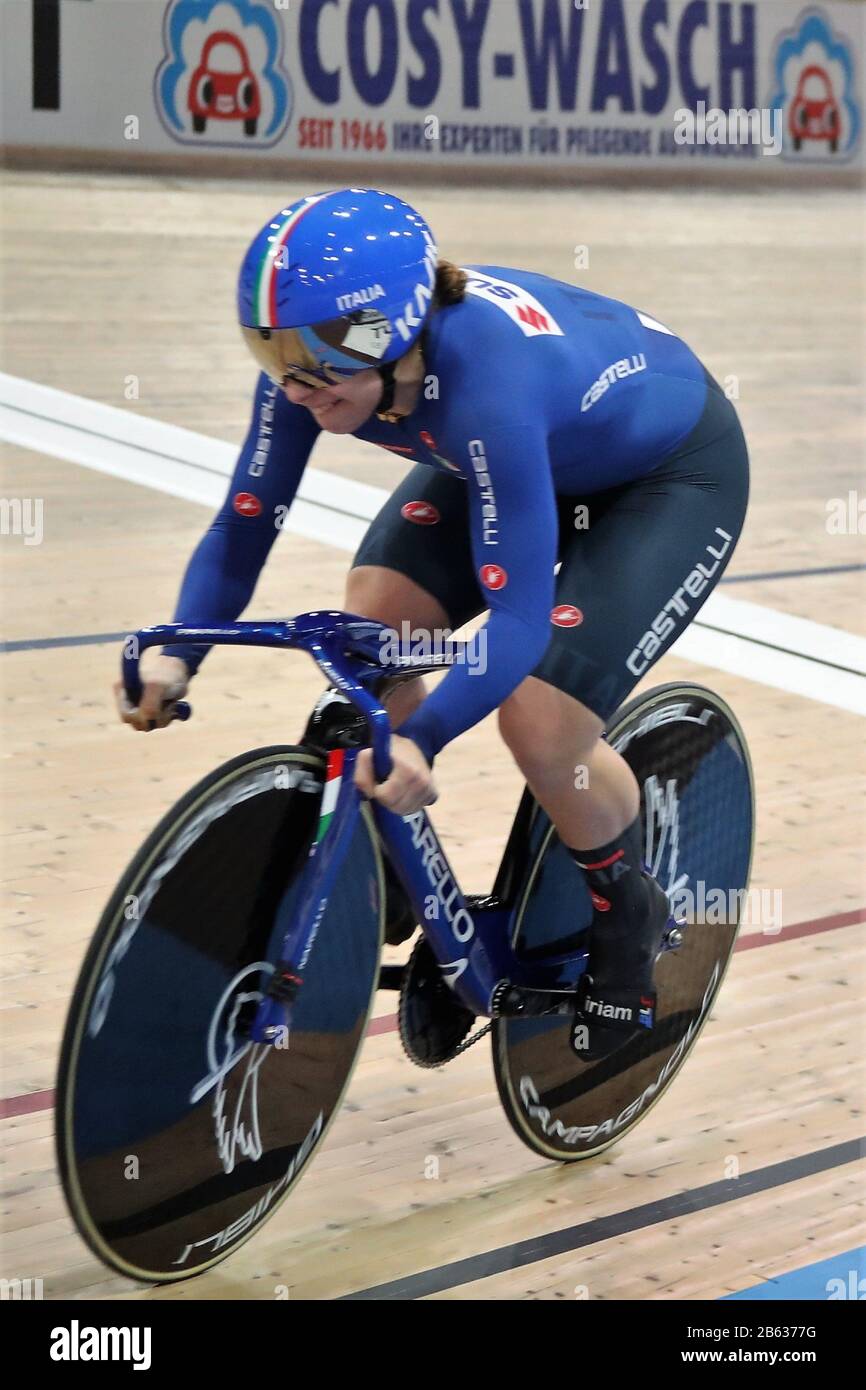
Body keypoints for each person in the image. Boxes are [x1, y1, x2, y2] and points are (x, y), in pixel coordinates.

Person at [115, 188, 749, 1055]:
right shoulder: (318, 372)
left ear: (392, 331)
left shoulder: (489, 384)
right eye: (268, 350)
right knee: (377, 628)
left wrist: (430, 738)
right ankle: (402, 868)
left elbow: (520, 618)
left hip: (666, 478)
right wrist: (179, 657)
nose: (293, 382)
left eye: (312, 355)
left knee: (542, 720)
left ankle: (625, 908)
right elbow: (244, 523)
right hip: (531, 451)